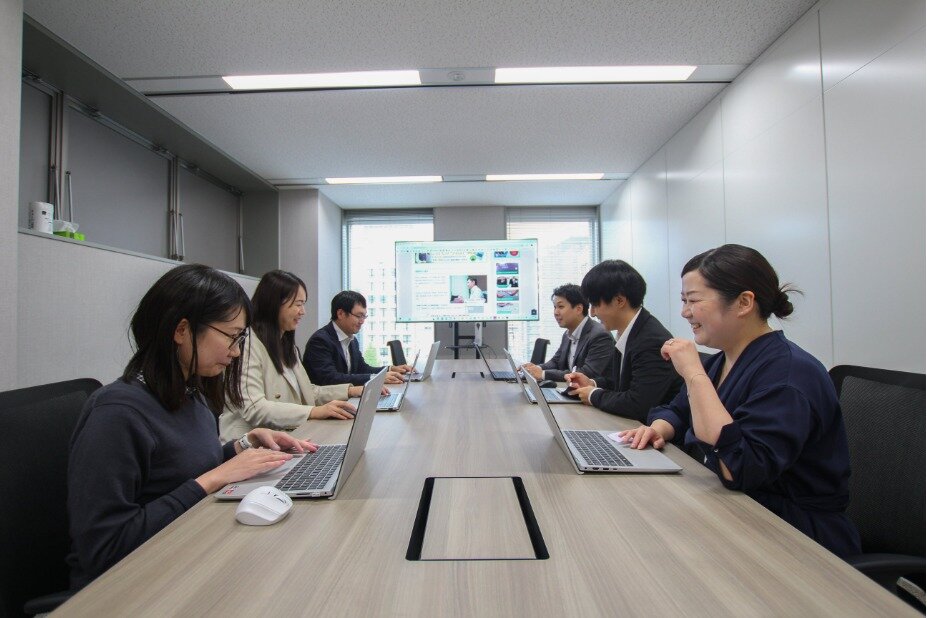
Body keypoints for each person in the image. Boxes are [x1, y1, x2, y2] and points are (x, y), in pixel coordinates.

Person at [67, 264, 317, 590]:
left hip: (186, 552)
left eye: (241, 338)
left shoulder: (190, 394)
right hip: (128, 586)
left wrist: (243, 445)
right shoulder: (117, 414)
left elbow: (182, 468)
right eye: (231, 336)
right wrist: (212, 480)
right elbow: (104, 548)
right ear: (182, 330)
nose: (236, 351)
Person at [620, 244, 861, 558]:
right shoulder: (722, 361)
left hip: (794, 532)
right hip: (735, 507)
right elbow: (679, 409)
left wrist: (693, 373)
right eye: (683, 301)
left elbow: (741, 467)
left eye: (693, 300)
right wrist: (659, 428)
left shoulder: (789, 374)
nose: (685, 312)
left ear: (744, 302)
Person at [218, 271, 362, 442]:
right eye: (298, 304)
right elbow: (255, 408)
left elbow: (307, 392)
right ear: (274, 304)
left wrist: (350, 391)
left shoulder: (285, 344)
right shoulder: (247, 344)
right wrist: (313, 411)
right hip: (249, 447)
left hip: (289, 438)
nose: (303, 312)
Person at [565, 260, 682, 422]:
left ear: (619, 301)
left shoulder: (651, 340)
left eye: (595, 304)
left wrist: (593, 395)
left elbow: (638, 405)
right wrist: (591, 383)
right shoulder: (629, 331)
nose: (592, 313)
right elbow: (620, 383)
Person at [303, 290, 411, 386]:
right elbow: (330, 379)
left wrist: (390, 369)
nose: (362, 321)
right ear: (340, 314)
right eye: (359, 316)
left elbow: (362, 369)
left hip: (348, 398)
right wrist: (376, 378)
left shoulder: (352, 340)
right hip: (329, 401)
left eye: (364, 316)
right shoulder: (320, 341)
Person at [521, 284, 614, 383]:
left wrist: (543, 374)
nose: (556, 312)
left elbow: (587, 373)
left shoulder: (599, 335)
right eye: (555, 307)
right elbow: (556, 362)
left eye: (560, 307)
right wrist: (535, 368)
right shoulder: (567, 334)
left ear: (578, 309)